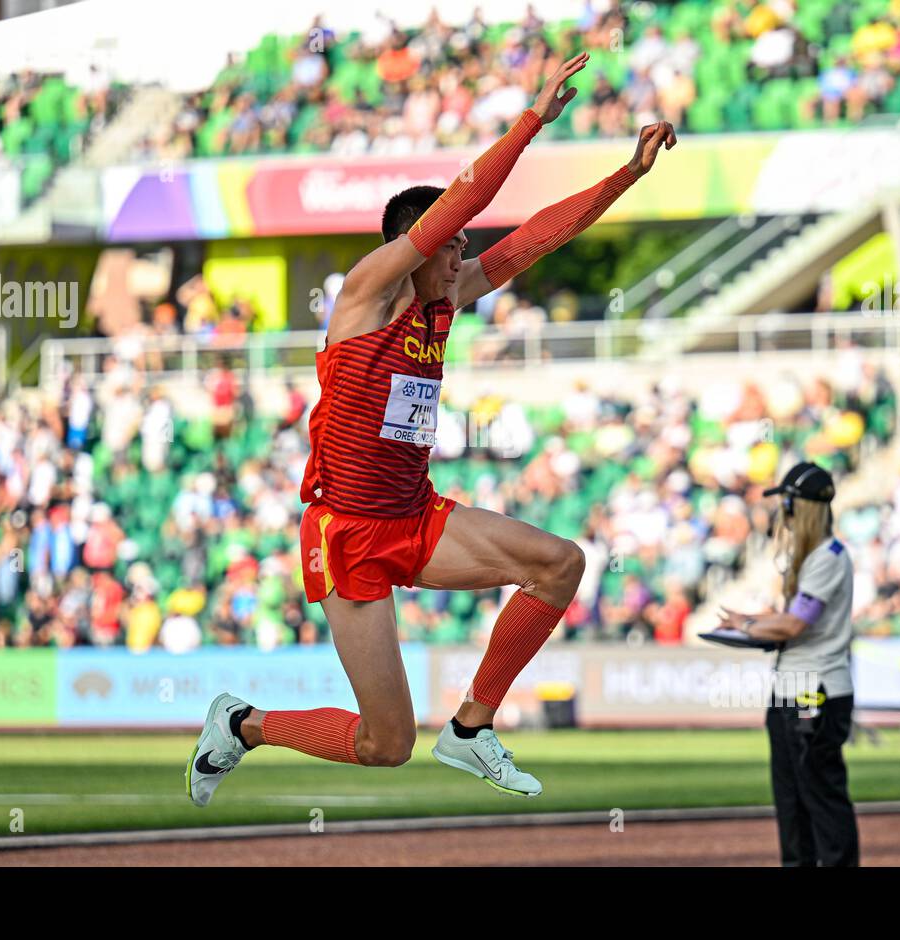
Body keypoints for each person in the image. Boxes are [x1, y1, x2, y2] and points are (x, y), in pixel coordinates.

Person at [187, 50, 676, 806]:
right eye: (452, 246)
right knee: (385, 744)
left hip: (414, 516)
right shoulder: (366, 295)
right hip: (344, 532)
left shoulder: (441, 302)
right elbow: (463, 201)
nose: (466, 256)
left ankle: (473, 728)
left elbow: (536, 238)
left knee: (560, 564)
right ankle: (243, 725)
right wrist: (530, 123)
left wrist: (627, 175)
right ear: (416, 241)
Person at [719, 462, 860, 867]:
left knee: (819, 795)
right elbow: (790, 619)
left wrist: (748, 624)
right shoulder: (813, 555)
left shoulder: (827, 557)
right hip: (792, 688)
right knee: (792, 798)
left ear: (798, 505)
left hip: (814, 690)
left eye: (788, 502)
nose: (783, 510)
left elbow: (796, 622)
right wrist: (750, 623)